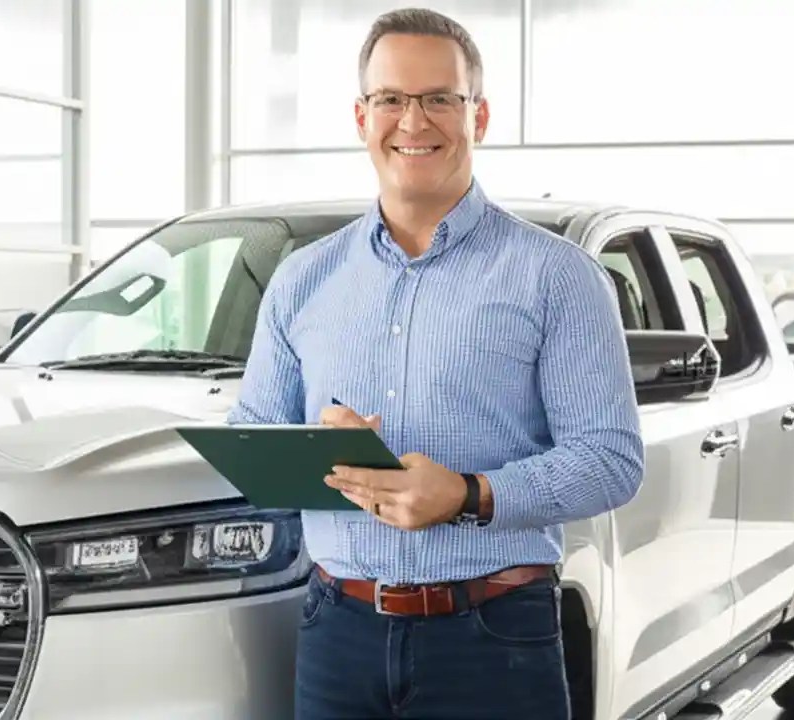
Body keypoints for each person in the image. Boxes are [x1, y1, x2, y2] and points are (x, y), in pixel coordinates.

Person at [228, 7, 644, 719]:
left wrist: (467, 494)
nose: (413, 121)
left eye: (439, 99)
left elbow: (611, 460)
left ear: (478, 115)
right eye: (391, 98)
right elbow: (251, 440)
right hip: (337, 630)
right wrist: (317, 452)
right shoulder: (302, 279)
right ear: (361, 117)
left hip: (493, 635)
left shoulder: (557, 277)